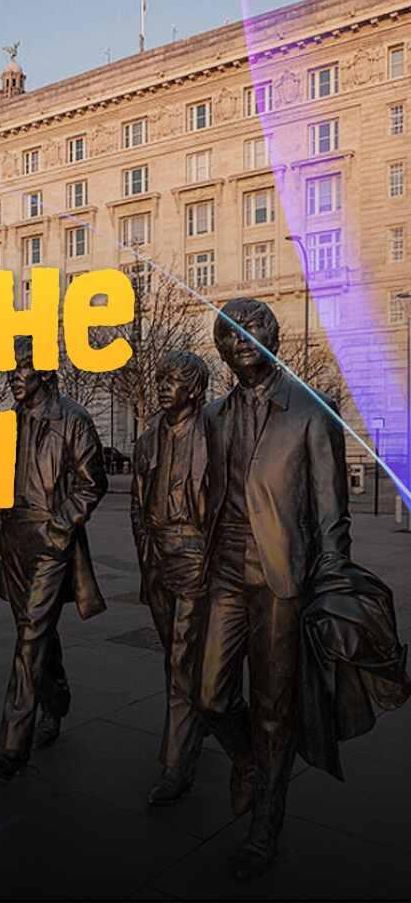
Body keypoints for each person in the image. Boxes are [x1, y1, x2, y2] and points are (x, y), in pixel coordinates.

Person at [198, 298, 351, 880]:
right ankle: (245, 762)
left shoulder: (312, 411)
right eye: (229, 332)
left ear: (275, 335)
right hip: (227, 571)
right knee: (211, 694)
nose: (242, 339)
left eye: (254, 326)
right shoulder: (214, 415)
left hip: (283, 573)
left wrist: (333, 582)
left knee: (272, 704)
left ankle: (267, 821)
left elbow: (332, 510)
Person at [0, 341, 108, 780]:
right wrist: (0, 521)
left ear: (46, 376)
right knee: (33, 630)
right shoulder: (8, 420)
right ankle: (56, 699)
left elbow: (93, 483)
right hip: (14, 537)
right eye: (11, 371)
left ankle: (12, 744)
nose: (14, 378)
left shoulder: (73, 419)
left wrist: (61, 526)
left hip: (51, 540)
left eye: (22, 370)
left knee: (32, 633)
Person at [129, 350, 214, 805]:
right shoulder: (146, 441)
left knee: (183, 660)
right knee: (176, 658)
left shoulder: (215, 434)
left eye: (175, 380)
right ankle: (213, 721)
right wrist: (145, 552)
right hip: (159, 556)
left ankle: (175, 764)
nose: (164, 386)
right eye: (161, 378)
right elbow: (137, 506)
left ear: (195, 390)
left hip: (199, 557)